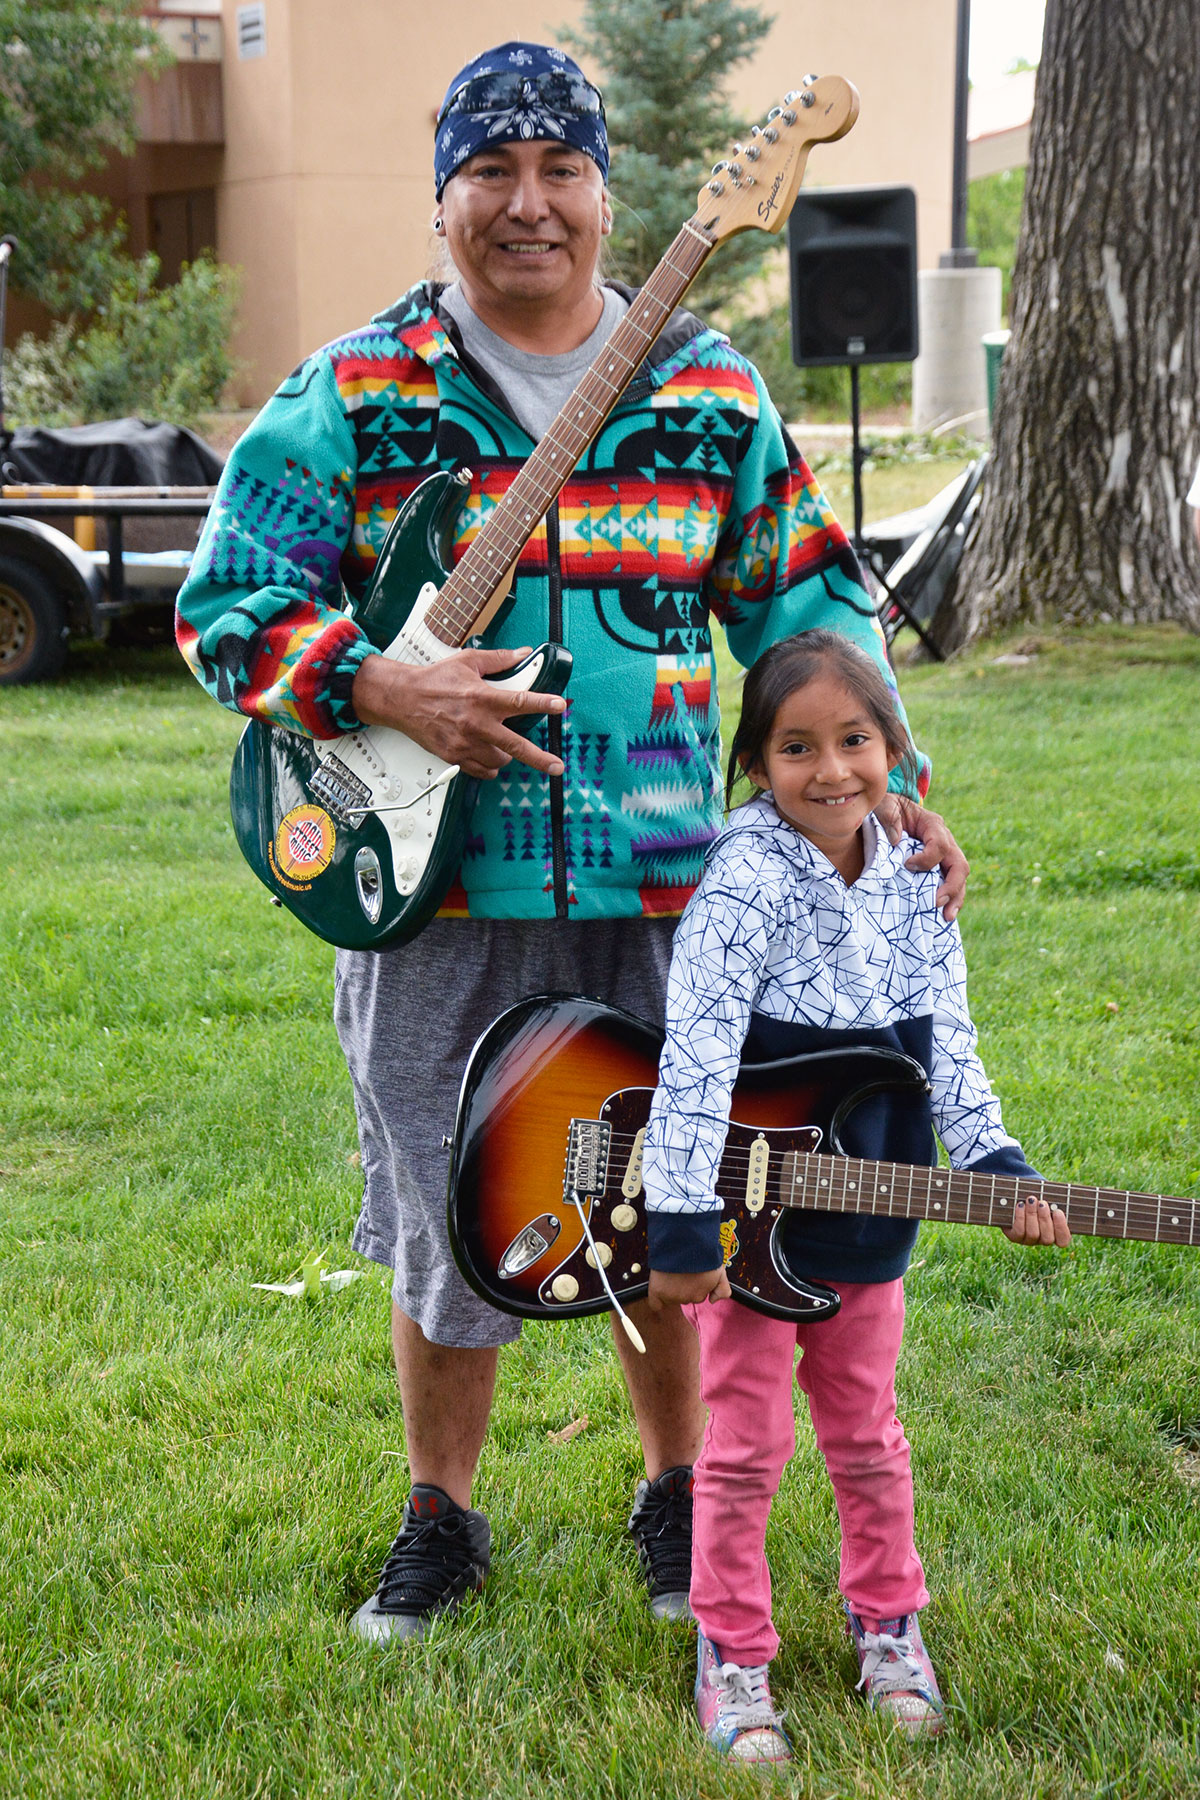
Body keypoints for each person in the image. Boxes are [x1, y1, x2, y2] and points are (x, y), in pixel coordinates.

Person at [175, 40, 968, 1644]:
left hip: (677, 883)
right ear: (447, 196)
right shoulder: (352, 392)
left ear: (610, 196)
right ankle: (441, 1514)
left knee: (676, 1193)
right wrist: (374, 677)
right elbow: (221, 610)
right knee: (436, 1202)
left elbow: (807, 602)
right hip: (435, 888)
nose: (528, 206)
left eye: (561, 173)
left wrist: (883, 777)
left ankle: (676, 1495)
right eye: (493, 174)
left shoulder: (708, 391)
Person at [641, 630, 1070, 1763]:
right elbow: (694, 1052)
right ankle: (732, 1649)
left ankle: (888, 1623)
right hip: (754, 1218)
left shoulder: (916, 876)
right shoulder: (740, 880)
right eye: (796, 748)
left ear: (894, 749)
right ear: (756, 761)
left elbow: (952, 1051)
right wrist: (682, 1219)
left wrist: (998, 1167)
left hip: (875, 1206)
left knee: (868, 1436)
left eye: (854, 741)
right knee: (743, 1444)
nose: (830, 771)